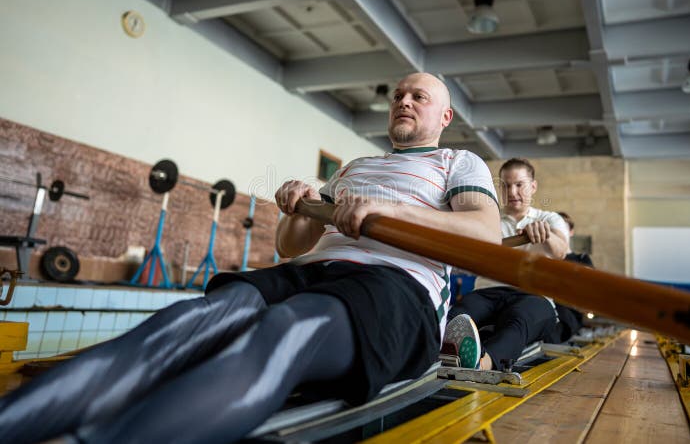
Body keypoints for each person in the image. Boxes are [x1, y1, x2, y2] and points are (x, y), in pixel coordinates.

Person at [0, 72, 501, 444]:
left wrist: (389, 209)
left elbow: (486, 234)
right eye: (397, 95)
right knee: (187, 320)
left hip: (395, 286)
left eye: (419, 96)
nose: (404, 102)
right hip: (313, 270)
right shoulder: (356, 167)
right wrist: (300, 202)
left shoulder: (457, 162)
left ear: (445, 117)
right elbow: (292, 245)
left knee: (284, 328)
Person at [444, 158, 570, 371]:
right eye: (505, 185)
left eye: (519, 184)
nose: (512, 192)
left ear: (533, 186)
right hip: (488, 292)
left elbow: (561, 252)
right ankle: (436, 357)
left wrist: (544, 235)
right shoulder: (487, 221)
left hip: (533, 295)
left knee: (518, 320)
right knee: (458, 315)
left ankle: (480, 366)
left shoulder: (550, 219)